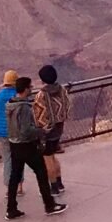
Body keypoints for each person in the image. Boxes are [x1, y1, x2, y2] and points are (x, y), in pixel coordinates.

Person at [5, 77, 66, 218]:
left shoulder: (10, 104)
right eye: (30, 87)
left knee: (14, 176)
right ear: (26, 89)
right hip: (26, 145)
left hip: (14, 144)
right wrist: (41, 131)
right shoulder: (24, 108)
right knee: (41, 172)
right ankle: (49, 205)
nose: (32, 88)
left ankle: (11, 209)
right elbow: (26, 130)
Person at [35, 64, 72, 193]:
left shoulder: (42, 95)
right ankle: (60, 183)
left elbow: (38, 114)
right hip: (59, 128)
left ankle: (54, 187)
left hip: (47, 132)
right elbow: (67, 106)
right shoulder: (62, 90)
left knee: (47, 158)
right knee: (53, 156)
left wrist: (40, 130)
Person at [0, 70, 19, 197]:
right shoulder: (18, 95)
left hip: (2, 131)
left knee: (7, 159)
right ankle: (19, 186)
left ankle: (9, 188)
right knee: (18, 158)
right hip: (16, 130)